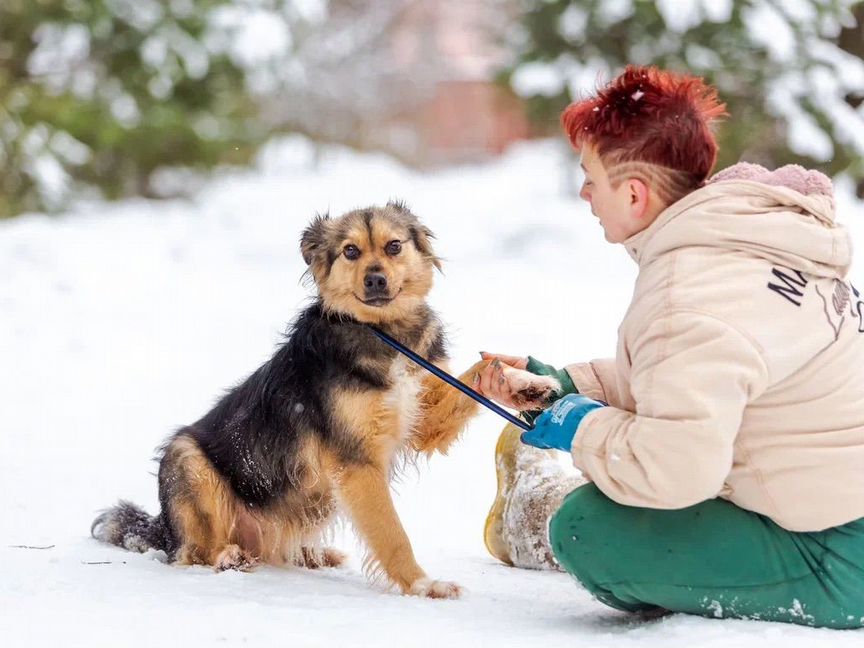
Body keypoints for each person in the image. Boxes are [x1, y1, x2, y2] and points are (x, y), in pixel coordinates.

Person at [476, 65, 864, 629]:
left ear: (634, 193)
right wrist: (568, 386)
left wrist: (578, 425)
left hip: (838, 558)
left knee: (588, 529)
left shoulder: (691, 295)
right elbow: (713, 376)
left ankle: (536, 520)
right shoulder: (753, 239)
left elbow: (676, 469)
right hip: (828, 498)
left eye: (590, 178)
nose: (584, 192)